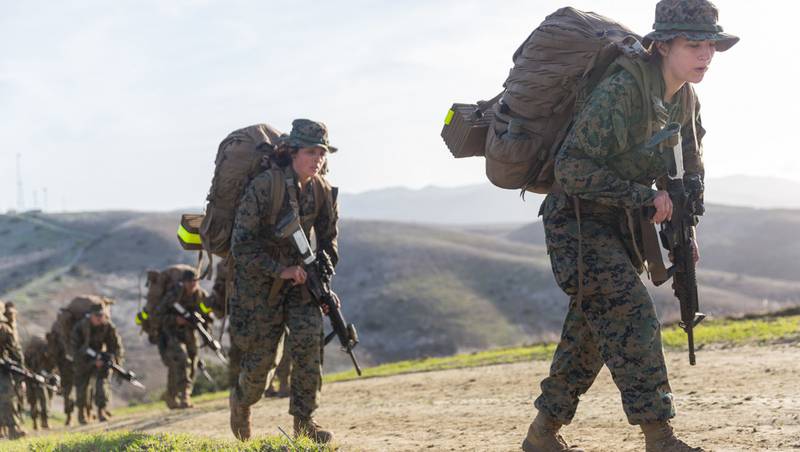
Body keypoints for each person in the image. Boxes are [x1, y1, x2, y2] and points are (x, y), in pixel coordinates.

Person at [521, 1, 738, 451]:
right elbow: (571, 168)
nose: (706, 55)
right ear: (662, 46)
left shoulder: (685, 98)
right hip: (577, 223)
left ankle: (542, 434)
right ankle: (659, 437)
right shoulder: (622, 89)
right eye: (693, 45)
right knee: (632, 315)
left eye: (711, 46)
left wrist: (685, 232)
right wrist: (644, 197)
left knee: (590, 334)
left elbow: (688, 173)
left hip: (621, 225)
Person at [228, 119, 339, 443]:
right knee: (263, 362)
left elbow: (329, 241)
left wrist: (324, 281)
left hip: (301, 282)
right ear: (293, 152)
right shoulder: (265, 186)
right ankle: (242, 401)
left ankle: (305, 422)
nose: (317, 159)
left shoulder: (322, 190)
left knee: (308, 344)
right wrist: (279, 270)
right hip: (260, 285)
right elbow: (241, 246)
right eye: (310, 152)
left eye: (322, 153)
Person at [208, 257, 291, 397]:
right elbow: (220, 291)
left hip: (267, 309)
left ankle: (282, 384)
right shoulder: (224, 266)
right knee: (242, 354)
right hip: (242, 316)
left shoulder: (262, 255)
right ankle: (249, 389)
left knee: (278, 347)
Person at [155, 268, 210, 409]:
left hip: (190, 333)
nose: (192, 284)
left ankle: (173, 395)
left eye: (195, 281)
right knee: (182, 360)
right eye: (189, 281)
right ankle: (184, 396)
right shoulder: (174, 295)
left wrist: (205, 331)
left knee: (193, 362)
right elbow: (158, 316)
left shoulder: (201, 295)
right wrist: (175, 320)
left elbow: (207, 316)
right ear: (183, 282)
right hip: (172, 333)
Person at [70, 303, 124, 424]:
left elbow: (116, 346)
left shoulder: (108, 326)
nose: (100, 318)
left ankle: (101, 410)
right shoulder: (80, 327)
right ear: (90, 316)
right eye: (97, 315)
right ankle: (82, 413)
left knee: (102, 383)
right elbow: (74, 350)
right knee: (82, 387)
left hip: (100, 358)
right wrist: (92, 362)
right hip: (82, 360)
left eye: (101, 315)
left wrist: (113, 360)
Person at [0, 300, 26, 439]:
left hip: (3, 369)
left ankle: (12, 429)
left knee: (8, 397)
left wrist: (20, 373)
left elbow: (15, 352)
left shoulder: (4, 329)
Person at [24, 335, 57, 430]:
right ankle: (38, 422)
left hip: (40, 379)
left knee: (40, 400)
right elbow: (25, 366)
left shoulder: (44, 353)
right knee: (36, 401)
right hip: (31, 379)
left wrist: (47, 375)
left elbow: (51, 365)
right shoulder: (30, 353)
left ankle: (42, 421)